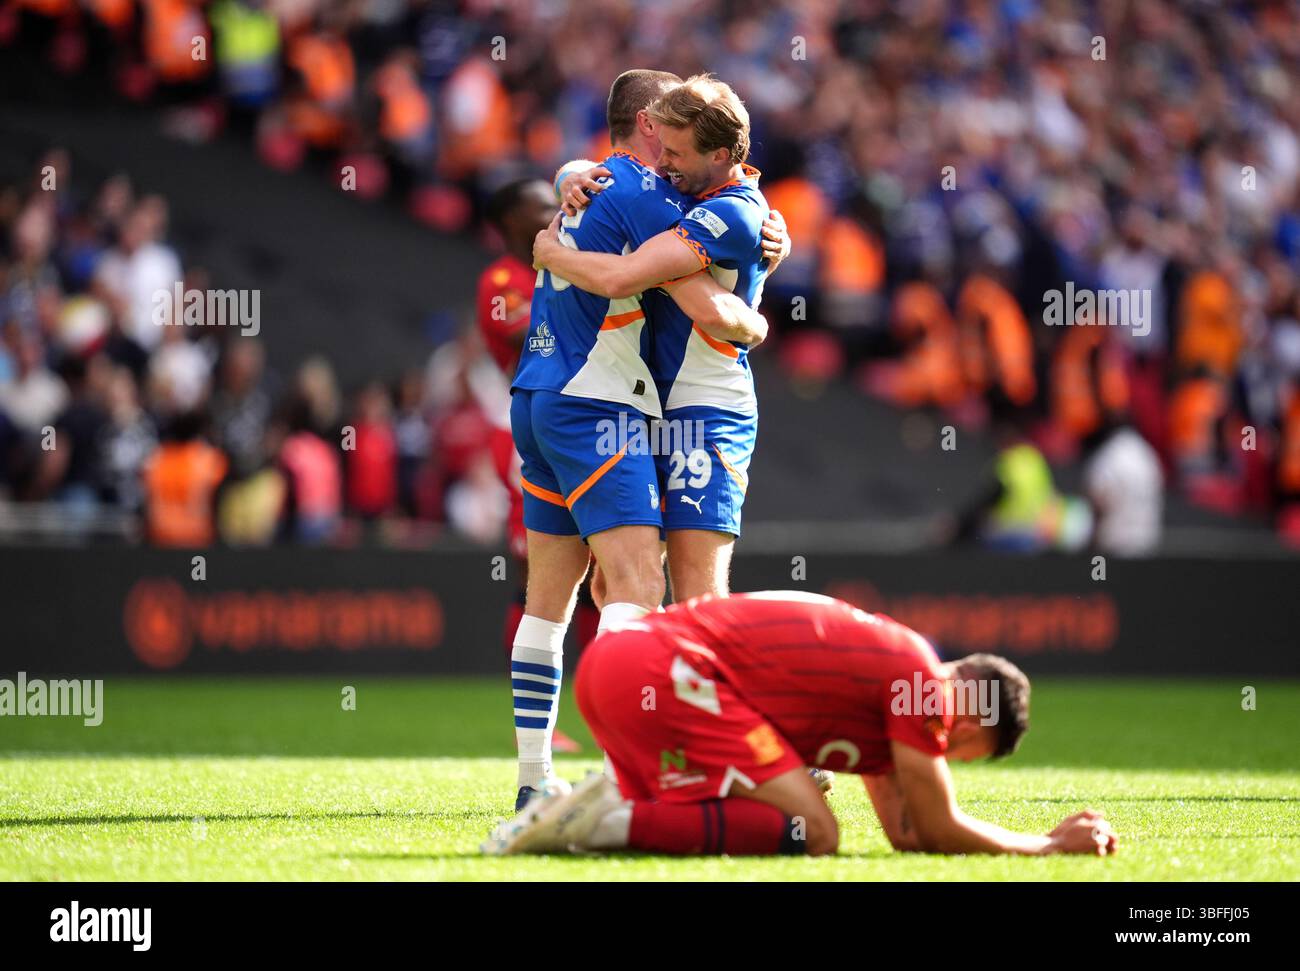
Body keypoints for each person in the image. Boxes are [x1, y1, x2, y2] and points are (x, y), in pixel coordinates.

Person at [504, 70, 786, 811]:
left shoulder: (596, 183)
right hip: (599, 402)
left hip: (536, 393)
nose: (671, 152)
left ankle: (536, 781)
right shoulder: (644, 195)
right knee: (638, 587)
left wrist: (554, 239)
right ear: (650, 127)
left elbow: (686, 263)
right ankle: (628, 776)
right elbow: (696, 299)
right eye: (666, 131)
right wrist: (753, 315)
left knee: (552, 602)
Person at [484, 591, 1119, 858]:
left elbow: (904, 832)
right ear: (968, 707)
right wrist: (1048, 844)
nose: (938, 755)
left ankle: (604, 806)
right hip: (661, 673)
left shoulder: (900, 685)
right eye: (954, 749)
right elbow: (934, 822)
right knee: (814, 829)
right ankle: (608, 818)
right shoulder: (922, 683)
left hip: (617, 669)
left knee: (789, 819)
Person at [535, 74, 782, 604]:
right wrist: (571, 174)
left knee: (696, 594)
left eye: (675, 152)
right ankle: (638, 689)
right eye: (661, 147)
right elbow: (619, 176)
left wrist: (555, 256)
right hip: (650, 406)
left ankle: (704, 689)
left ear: (718, 155)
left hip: (705, 409)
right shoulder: (685, 189)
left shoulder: (733, 212)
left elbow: (632, 279)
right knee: (614, 581)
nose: (663, 163)